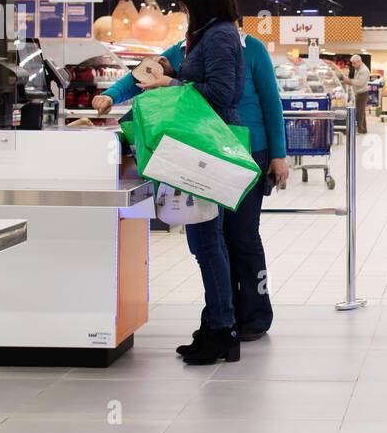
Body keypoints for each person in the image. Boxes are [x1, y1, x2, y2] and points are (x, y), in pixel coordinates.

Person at [97, 31, 291, 341]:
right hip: (206, 150)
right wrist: (111, 94)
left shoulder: (252, 49)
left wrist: (279, 154)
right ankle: (223, 313)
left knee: (242, 236)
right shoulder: (189, 46)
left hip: (249, 152)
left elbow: (271, 103)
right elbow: (146, 73)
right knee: (216, 238)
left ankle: (255, 315)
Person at [134, 0, 245, 366]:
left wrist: (171, 83)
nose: (178, 3)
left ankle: (222, 330)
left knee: (207, 243)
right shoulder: (209, 33)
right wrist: (174, 71)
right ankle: (216, 324)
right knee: (205, 242)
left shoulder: (217, 36)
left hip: (207, 149)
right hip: (200, 145)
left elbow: (221, 93)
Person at [342, 54, 370, 134]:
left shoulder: (364, 70)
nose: (353, 65)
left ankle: (360, 129)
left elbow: (360, 82)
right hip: (358, 92)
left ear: (359, 61)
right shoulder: (358, 69)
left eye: (354, 63)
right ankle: (363, 129)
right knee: (361, 112)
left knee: (359, 112)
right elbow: (356, 80)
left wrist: (349, 81)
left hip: (362, 93)